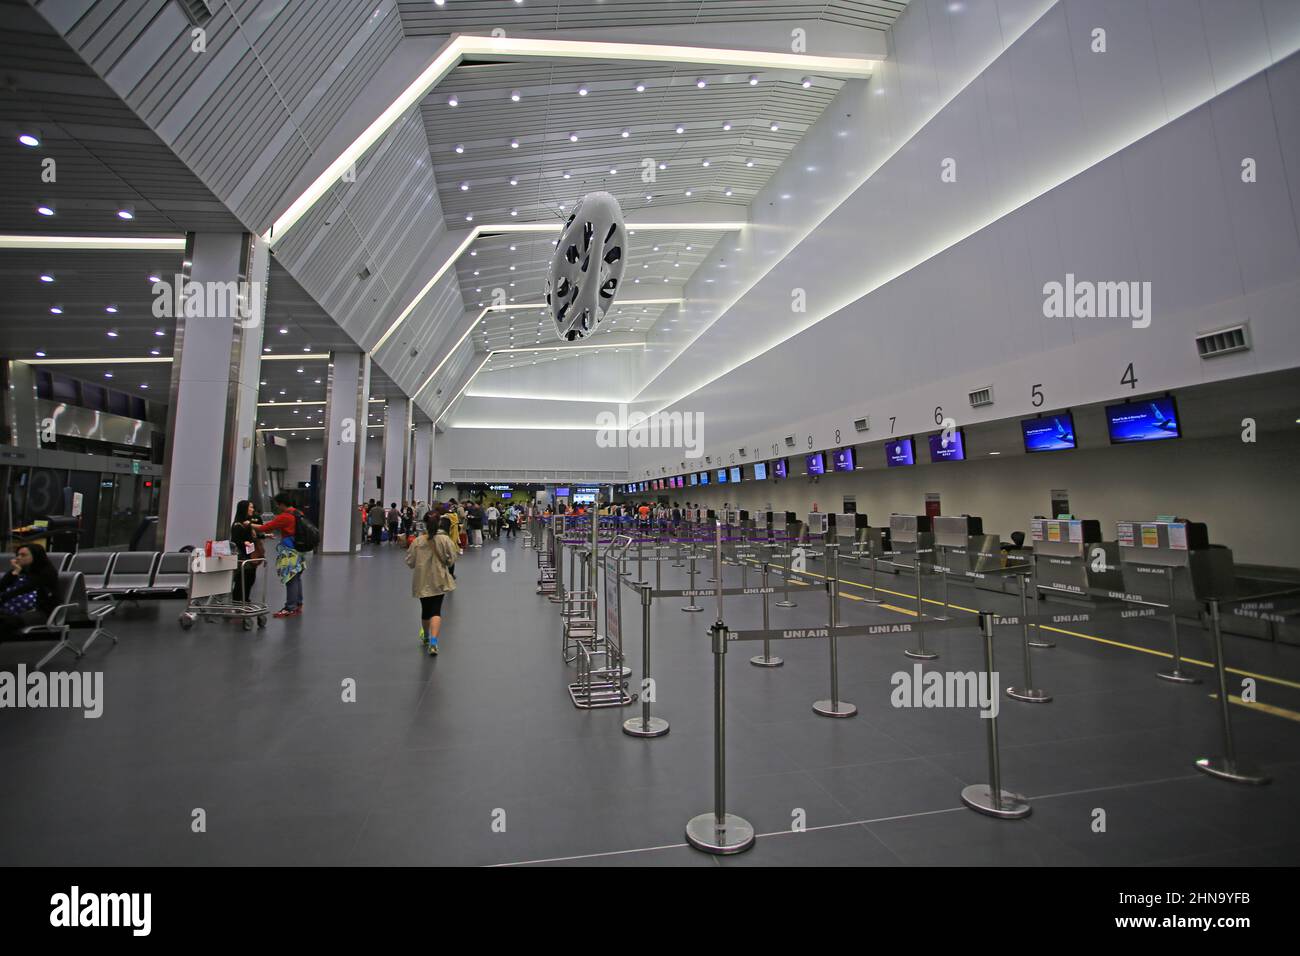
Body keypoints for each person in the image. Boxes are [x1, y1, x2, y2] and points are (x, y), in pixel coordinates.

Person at [406, 513, 456, 655]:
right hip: (439, 578)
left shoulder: (418, 541)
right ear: (439, 523)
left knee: (426, 610)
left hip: (422, 579)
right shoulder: (445, 539)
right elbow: (452, 558)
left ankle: (426, 637)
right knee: (436, 610)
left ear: (425, 524)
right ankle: (434, 642)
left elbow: (410, 562)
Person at [254, 492, 307, 618]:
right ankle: (298, 604)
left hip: (289, 550)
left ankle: (290, 607)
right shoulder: (298, 513)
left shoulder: (285, 516)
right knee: (297, 577)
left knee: (290, 578)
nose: (277, 507)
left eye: (278, 504)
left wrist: (249, 524)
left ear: (282, 504)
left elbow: (265, 528)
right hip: (299, 548)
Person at [0, 544, 60, 639]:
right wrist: (15, 572)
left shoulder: (47, 572)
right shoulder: (20, 568)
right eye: (18, 555)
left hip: (41, 611)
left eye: (23, 555)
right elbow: (2, 586)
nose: (18, 558)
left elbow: (26, 589)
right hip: (13, 607)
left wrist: (3, 598)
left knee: (9, 622)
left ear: (36, 556)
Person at [230, 499, 264, 603]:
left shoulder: (247, 523)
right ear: (244, 508)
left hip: (250, 556)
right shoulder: (237, 525)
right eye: (250, 507)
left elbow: (253, 536)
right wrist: (244, 543)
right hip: (243, 557)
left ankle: (245, 600)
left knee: (250, 580)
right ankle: (238, 602)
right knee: (242, 580)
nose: (252, 509)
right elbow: (235, 540)